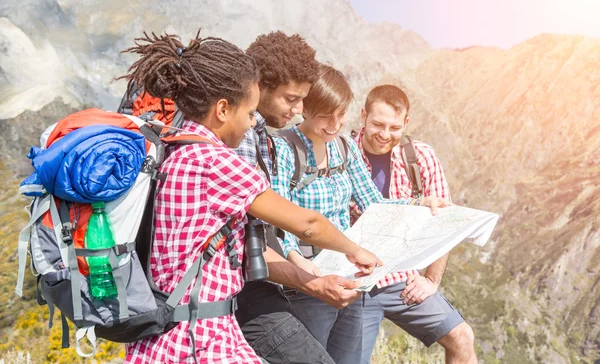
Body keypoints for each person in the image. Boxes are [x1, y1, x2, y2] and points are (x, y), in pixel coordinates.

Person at [118, 32, 381, 364]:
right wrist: (355, 250)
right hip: (199, 338)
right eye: (250, 113)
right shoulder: (217, 162)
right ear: (223, 109)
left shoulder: (177, 148)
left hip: (173, 331)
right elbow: (307, 224)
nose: (253, 121)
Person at [271, 66, 449, 364]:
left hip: (350, 277)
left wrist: (419, 206)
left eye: (341, 116)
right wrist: (300, 265)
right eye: (325, 116)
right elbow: (279, 217)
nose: (334, 125)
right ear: (306, 109)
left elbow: (373, 203)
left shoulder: (343, 148)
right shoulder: (283, 148)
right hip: (308, 281)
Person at [234, 31, 365, 364]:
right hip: (236, 288)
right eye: (291, 99)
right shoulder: (244, 137)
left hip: (253, 279)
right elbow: (293, 225)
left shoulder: (261, 135)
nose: (299, 109)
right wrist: (341, 260)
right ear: (260, 84)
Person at [352, 85, 477, 364]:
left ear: (406, 123)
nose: (385, 134)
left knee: (462, 337)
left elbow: (443, 221)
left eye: (394, 127)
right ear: (363, 116)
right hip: (358, 281)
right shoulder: (344, 155)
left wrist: (431, 280)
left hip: (401, 279)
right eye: (378, 124)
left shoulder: (420, 157)